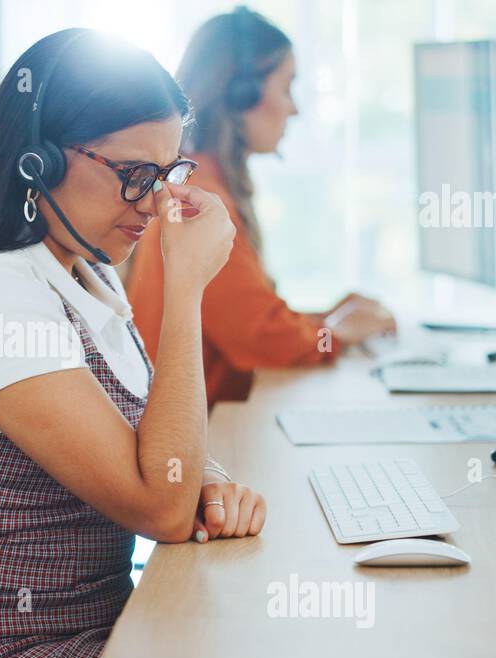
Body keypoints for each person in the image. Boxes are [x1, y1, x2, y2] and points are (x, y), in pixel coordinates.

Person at [0, 29, 265, 658]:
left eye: (167, 174)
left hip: (84, 630)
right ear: (37, 162)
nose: (155, 205)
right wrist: (187, 286)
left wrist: (209, 479)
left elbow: (146, 443)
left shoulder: (89, 275)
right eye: (134, 175)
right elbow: (158, 507)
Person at [125, 6, 396, 409]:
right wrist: (335, 332)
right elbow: (260, 338)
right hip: (192, 437)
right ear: (241, 93)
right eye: (286, 88)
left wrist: (329, 316)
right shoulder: (197, 199)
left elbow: (250, 315)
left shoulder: (203, 184)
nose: (295, 109)